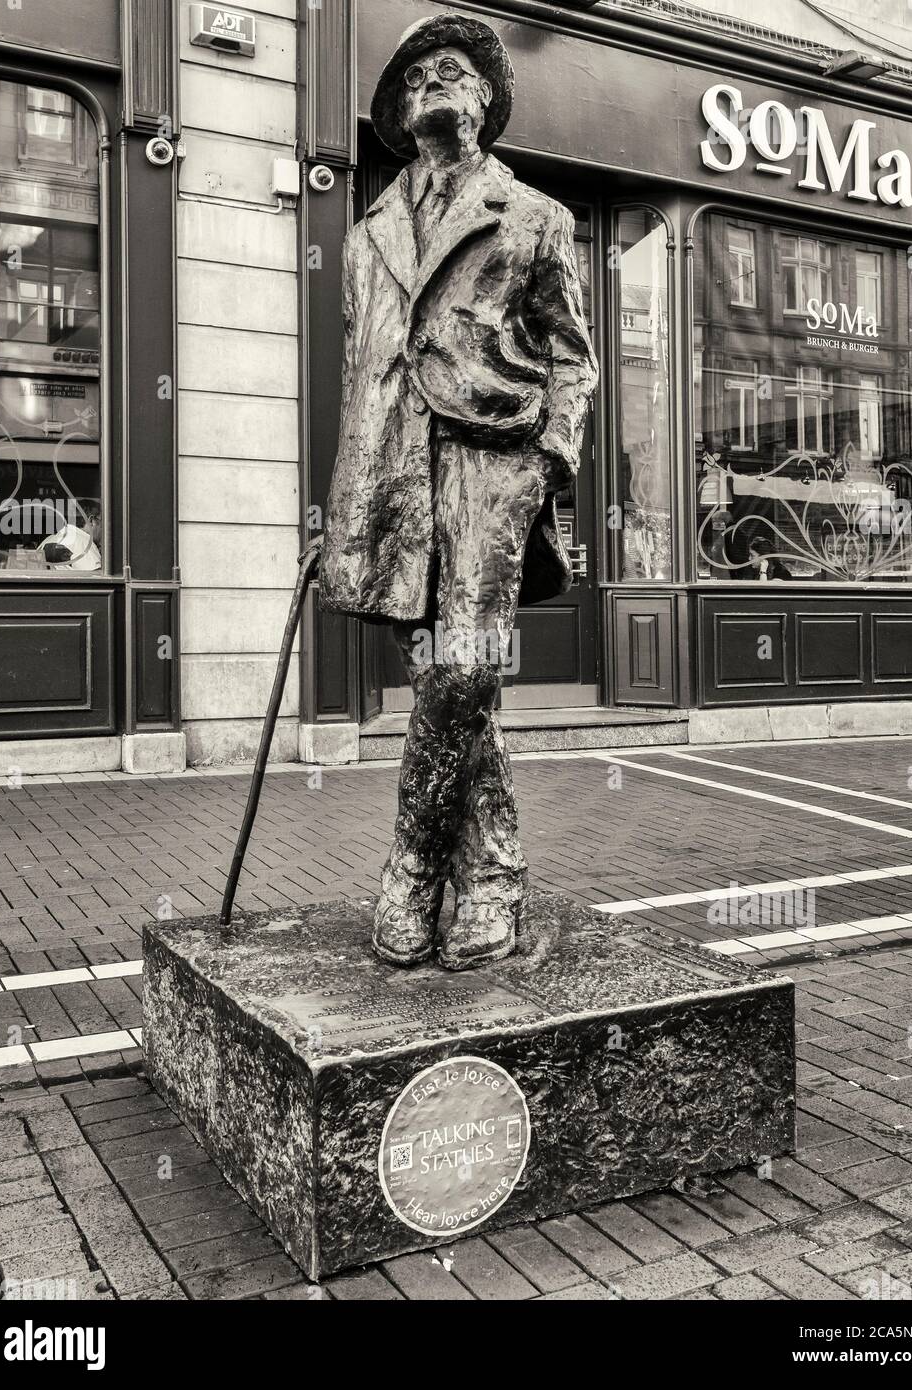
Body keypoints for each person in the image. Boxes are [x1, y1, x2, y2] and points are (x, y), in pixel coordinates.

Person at [320, 15, 598, 970]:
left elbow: (576, 359)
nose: (436, 81)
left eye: (456, 71)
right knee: (446, 687)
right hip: (392, 472)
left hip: (492, 457)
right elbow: (363, 372)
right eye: (417, 75)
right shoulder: (365, 239)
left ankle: (409, 866)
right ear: (400, 112)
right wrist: (345, 500)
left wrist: (547, 458)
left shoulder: (535, 216)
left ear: (485, 102)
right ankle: (487, 875)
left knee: (469, 668)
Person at [39, 502, 102, 572]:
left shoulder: (49, 539)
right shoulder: (84, 543)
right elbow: (97, 578)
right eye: (103, 523)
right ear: (91, 521)